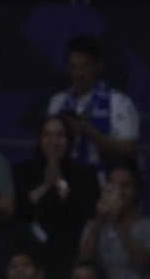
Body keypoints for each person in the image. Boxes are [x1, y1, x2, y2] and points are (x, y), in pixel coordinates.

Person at [12, 115, 100, 279]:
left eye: (60, 136)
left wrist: (59, 181)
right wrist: (45, 186)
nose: (53, 141)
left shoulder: (84, 174)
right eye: (47, 135)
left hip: (69, 248)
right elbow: (19, 209)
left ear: (68, 141)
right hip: (30, 246)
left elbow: (83, 211)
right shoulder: (23, 170)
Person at [47, 34, 139, 175]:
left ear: (98, 67)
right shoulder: (58, 102)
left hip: (102, 180)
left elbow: (128, 148)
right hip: (65, 180)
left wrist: (89, 131)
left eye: (84, 67)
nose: (78, 74)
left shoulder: (119, 102)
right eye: (73, 67)